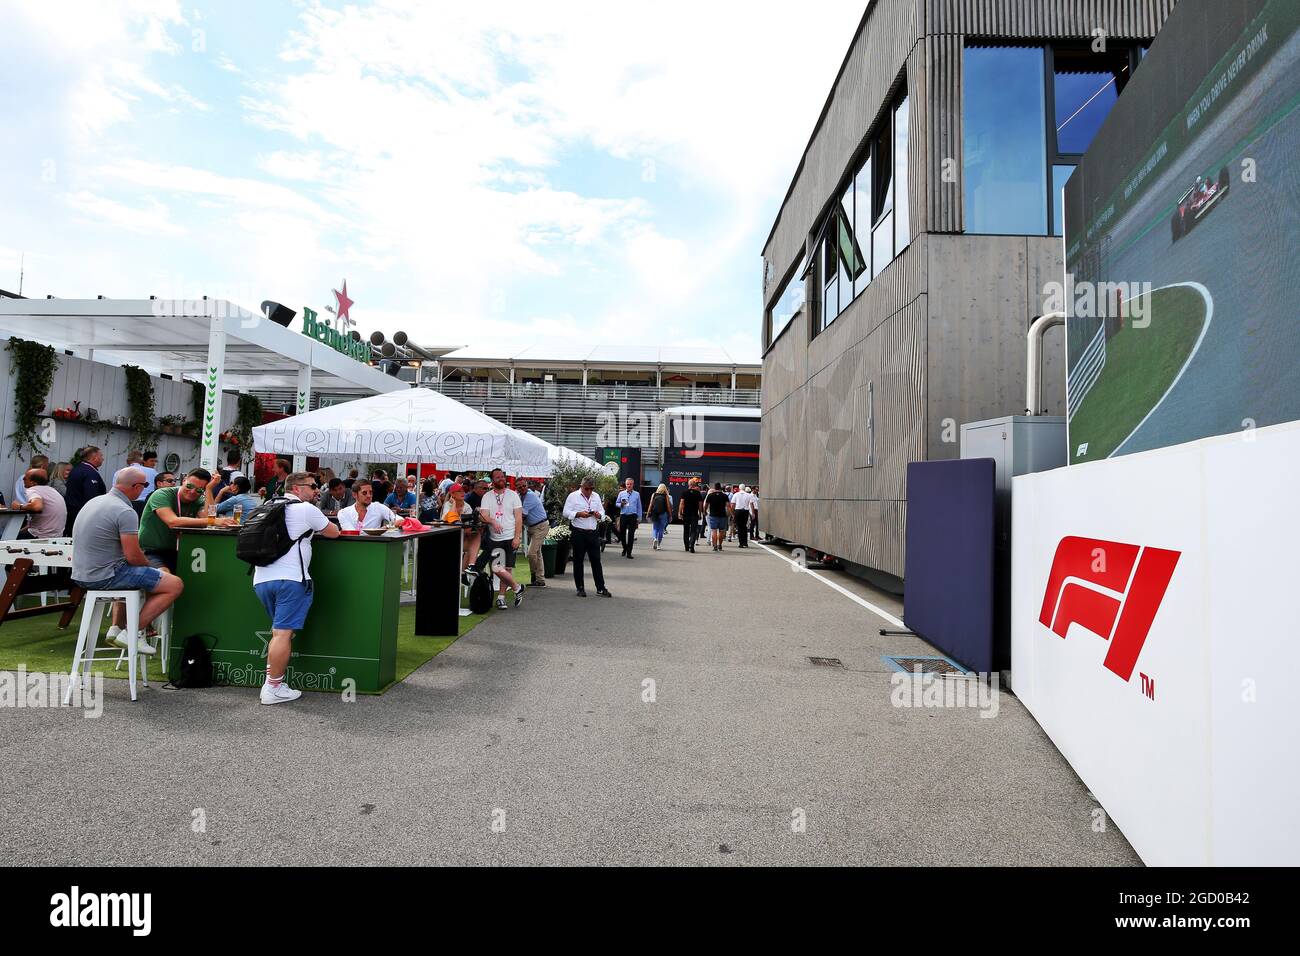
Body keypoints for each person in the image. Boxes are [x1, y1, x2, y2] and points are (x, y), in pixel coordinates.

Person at [70, 467, 184, 655]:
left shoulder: (95, 501)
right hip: (105, 576)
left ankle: (116, 628)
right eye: (145, 485)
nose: (144, 489)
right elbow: (133, 556)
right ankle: (132, 632)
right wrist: (151, 568)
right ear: (136, 486)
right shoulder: (125, 511)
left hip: (80, 575)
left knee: (137, 577)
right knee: (174, 584)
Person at [253, 471, 340, 704]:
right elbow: (334, 532)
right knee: (282, 634)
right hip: (291, 579)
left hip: (261, 579)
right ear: (298, 488)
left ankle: (273, 684)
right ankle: (272, 687)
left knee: (279, 633)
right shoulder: (306, 509)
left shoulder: (267, 506)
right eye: (312, 486)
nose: (316, 491)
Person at [138, 468, 234, 571]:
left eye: (199, 490)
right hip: (151, 551)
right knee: (165, 577)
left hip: (179, 550)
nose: (192, 491)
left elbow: (208, 518)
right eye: (190, 486)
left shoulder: (199, 499)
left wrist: (209, 489)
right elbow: (172, 522)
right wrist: (213, 521)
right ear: (184, 481)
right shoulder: (162, 494)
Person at [474, 468, 525, 609]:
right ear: (492, 480)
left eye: (502, 476)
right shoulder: (487, 496)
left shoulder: (513, 495)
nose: (501, 478)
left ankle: (501, 598)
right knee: (497, 567)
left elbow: (519, 518)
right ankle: (517, 587)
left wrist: (517, 537)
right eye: (497, 477)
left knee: (507, 568)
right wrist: (493, 521)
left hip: (510, 537)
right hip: (495, 538)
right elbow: (483, 515)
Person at [563, 475, 612, 597]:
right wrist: (578, 514)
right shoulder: (573, 496)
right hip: (578, 532)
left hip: (593, 532)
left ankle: (600, 588)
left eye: (591, 488)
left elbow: (602, 511)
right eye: (587, 489)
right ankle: (580, 588)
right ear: (581, 487)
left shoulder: (595, 496)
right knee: (578, 561)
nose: (589, 491)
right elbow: (565, 512)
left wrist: (598, 515)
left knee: (596, 560)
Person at [64, 446, 107, 535]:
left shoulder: (77, 469)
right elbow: (92, 497)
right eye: (101, 456)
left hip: (72, 513)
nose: (103, 458)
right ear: (94, 457)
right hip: (83, 516)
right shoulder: (89, 473)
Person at [16, 468, 66, 540]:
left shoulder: (32, 489)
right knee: (15, 534)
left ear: (33, 483)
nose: (23, 479)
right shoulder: (52, 490)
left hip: (40, 537)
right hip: (57, 537)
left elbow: (37, 506)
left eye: (25, 478)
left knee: (5, 537)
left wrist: (19, 506)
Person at [517, 478, 550, 588]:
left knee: (531, 553)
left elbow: (522, 514)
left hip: (540, 526)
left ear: (527, 485)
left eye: (524, 486)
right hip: (533, 527)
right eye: (520, 487)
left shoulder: (530, 496)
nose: (522, 488)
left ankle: (533, 575)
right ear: (517, 488)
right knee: (537, 553)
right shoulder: (520, 496)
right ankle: (540, 580)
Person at [441, 483, 480, 570]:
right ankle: (463, 572)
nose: (463, 493)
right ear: (452, 494)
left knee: (476, 535)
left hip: (462, 536)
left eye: (463, 491)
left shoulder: (467, 506)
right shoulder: (448, 505)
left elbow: (469, 525)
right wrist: (454, 503)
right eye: (459, 491)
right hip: (448, 538)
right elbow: (448, 520)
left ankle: (471, 566)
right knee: (473, 544)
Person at [615, 478, 642, 558]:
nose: (629, 485)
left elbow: (639, 506)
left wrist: (639, 517)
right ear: (625, 485)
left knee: (631, 535)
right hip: (623, 515)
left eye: (630, 484)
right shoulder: (621, 493)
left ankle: (629, 553)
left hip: (633, 516)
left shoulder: (637, 494)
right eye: (627, 484)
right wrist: (621, 505)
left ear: (633, 485)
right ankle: (624, 548)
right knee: (622, 534)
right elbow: (616, 503)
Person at [677, 478, 704, 553]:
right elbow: (700, 504)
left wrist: (679, 513)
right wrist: (700, 513)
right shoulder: (698, 493)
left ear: (689, 485)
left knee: (686, 530)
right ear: (694, 485)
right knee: (693, 531)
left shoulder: (684, 492)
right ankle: (691, 545)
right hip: (694, 514)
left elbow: (682, 503)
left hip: (686, 514)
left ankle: (686, 546)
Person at [704, 482, 730, 552]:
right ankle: (720, 546)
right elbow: (728, 506)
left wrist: (705, 512)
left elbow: (706, 505)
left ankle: (715, 546)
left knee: (714, 531)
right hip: (722, 515)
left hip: (713, 515)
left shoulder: (710, 495)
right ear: (720, 488)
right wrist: (728, 513)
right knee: (721, 531)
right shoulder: (725, 496)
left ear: (715, 488)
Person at [646, 483, 672, 551]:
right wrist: (670, 515)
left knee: (655, 528)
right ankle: (658, 545)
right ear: (665, 489)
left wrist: (648, 513)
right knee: (661, 528)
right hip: (663, 513)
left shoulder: (654, 494)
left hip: (655, 513)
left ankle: (655, 538)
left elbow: (651, 504)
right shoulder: (666, 495)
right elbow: (668, 506)